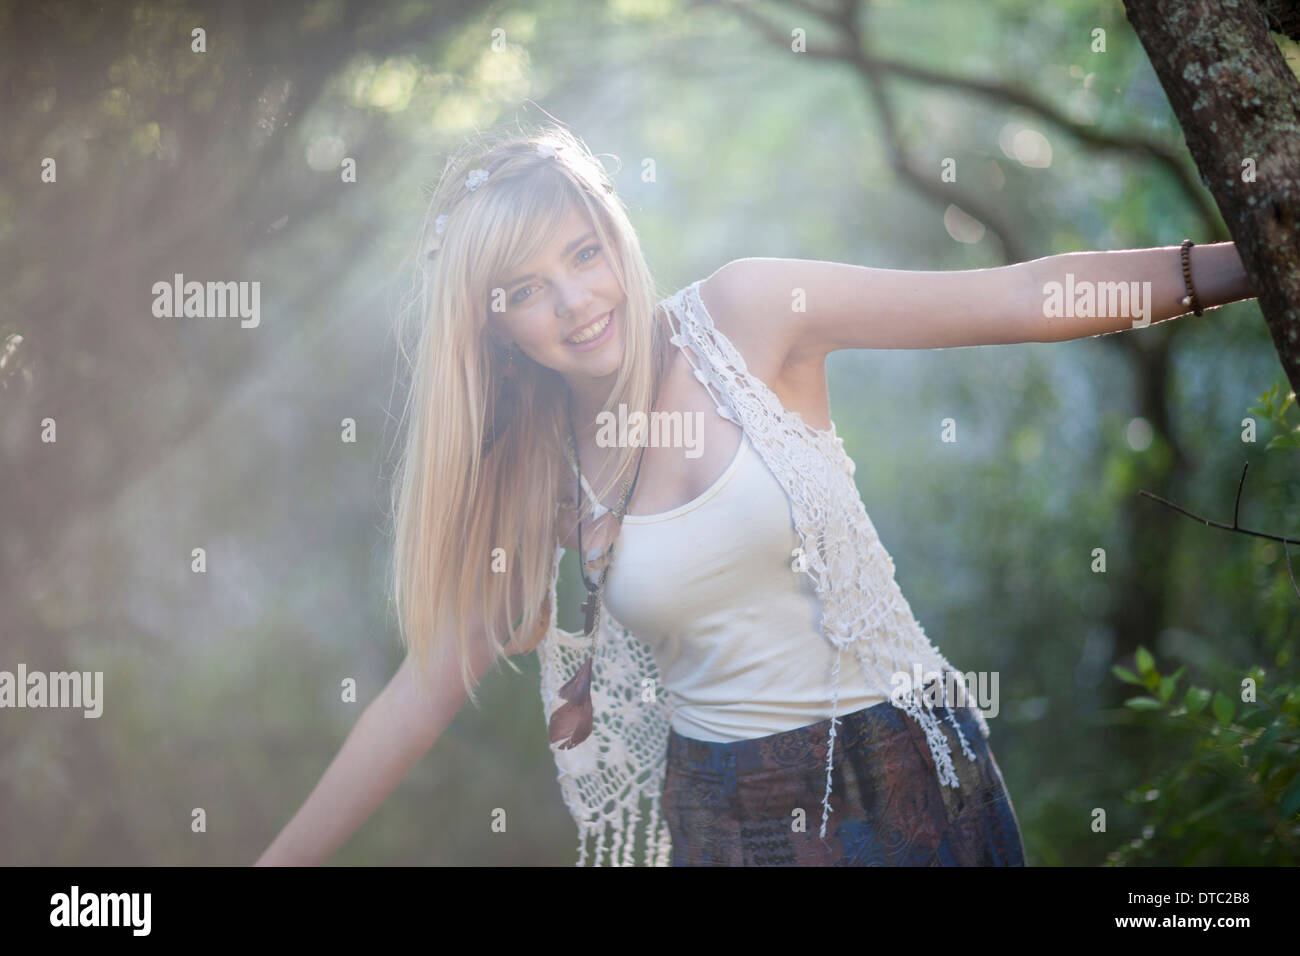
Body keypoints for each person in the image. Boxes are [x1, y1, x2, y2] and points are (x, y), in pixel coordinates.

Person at [255, 123, 1256, 867]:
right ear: (495, 324)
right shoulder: (537, 463)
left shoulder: (746, 315)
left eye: (583, 251)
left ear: (617, 236)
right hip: (730, 818)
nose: (575, 301)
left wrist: (1249, 261)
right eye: (523, 288)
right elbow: (427, 683)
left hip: (910, 770)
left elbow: (1019, 297)